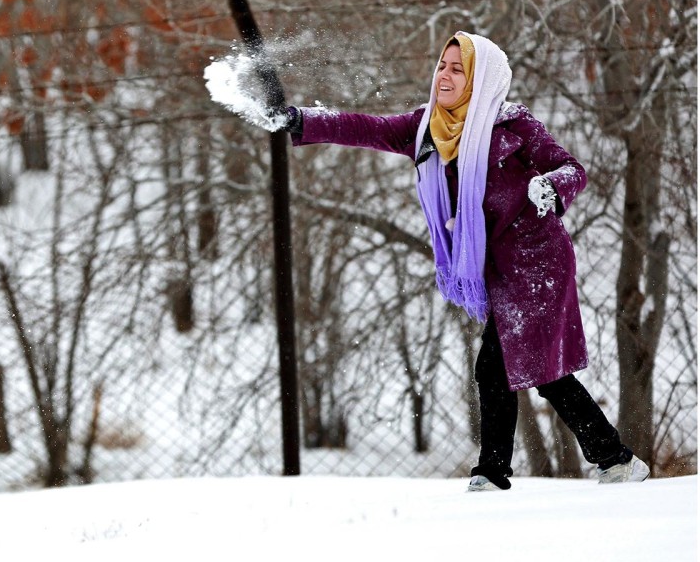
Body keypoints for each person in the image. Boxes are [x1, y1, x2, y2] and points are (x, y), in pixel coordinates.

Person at [253, 31, 649, 491]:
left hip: (538, 261)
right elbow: (368, 127)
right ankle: (613, 459)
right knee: (543, 372)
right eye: (443, 65)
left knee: (507, 366)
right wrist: (302, 120)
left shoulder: (515, 126)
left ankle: (496, 473)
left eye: (458, 69)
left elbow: (571, 168)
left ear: (481, 79)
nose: (445, 74)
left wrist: (552, 187)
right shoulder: (427, 129)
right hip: (496, 266)